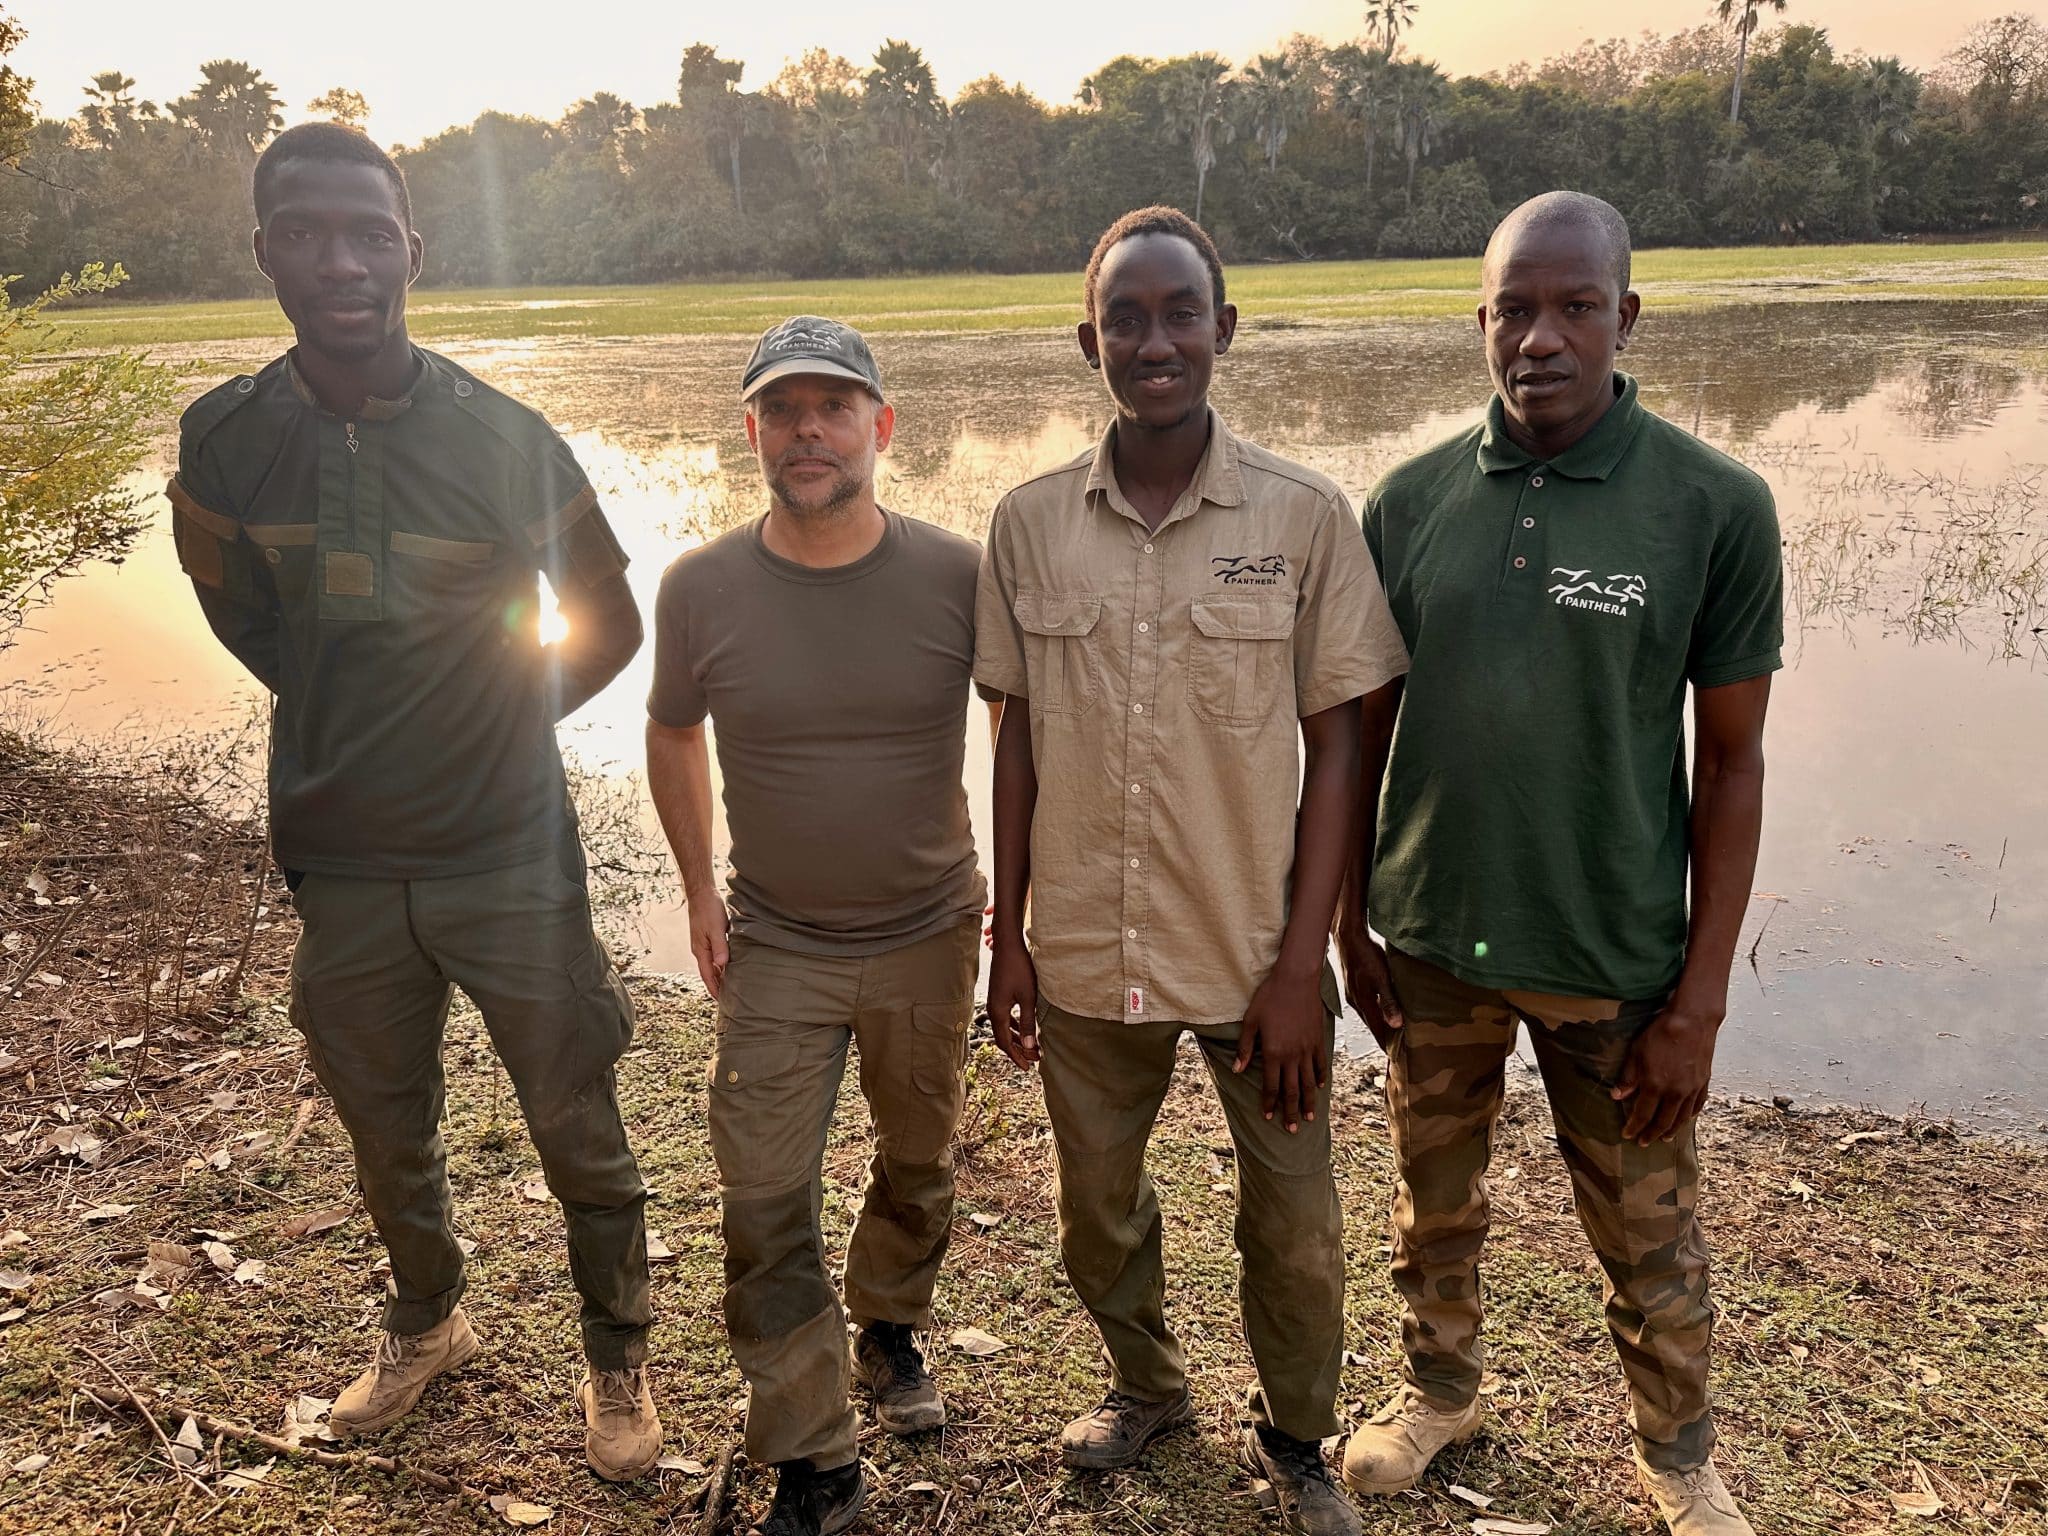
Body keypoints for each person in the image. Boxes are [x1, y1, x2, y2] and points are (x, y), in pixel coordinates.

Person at [169, 123, 659, 1480]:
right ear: (266, 251)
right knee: (386, 1126)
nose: (343, 263)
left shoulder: (505, 438)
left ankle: (616, 1348)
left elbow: (611, 623)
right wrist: (357, 727)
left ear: (411, 253)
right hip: (340, 857)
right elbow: (246, 624)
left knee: (576, 1114)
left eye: (370, 235)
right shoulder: (223, 444)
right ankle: (426, 1319)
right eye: (311, 234)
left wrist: (495, 724)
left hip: (509, 852)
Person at [1336, 191, 1780, 1536]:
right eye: (1512, 309)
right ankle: (1440, 1392)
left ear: (1625, 317)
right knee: (1432, 1205)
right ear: (1481, 321)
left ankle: (1678, 1454)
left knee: (1649, 1237)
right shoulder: (1410, 501)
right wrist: (1355, 928)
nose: (1541, 337)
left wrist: (1698, 1000)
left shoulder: (1713, 505)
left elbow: (1735, 765)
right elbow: (1357, 744)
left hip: (1617, 960)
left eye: (1574, 305)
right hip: (1433, 941)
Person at [976, 207, 1409, 1536]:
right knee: (1096, 1208)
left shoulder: (1303, 518)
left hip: (1248, 959)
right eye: (1127, 319)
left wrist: (1308, 958)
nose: (1153, 342)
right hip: (1090, 950)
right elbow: (1016, 736)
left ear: (1225, 329)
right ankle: (1148, 1386)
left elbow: (1338, 751)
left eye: (1179, 315)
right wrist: (1010, 935)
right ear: (1088, 339)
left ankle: (1296, 1436)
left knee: (1293, 1224)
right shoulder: (1031, 523)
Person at [646, 317, 996, 1536]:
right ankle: (812, 1456)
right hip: (777, 941)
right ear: (751, 433)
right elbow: (672, 730)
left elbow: (1022, 726)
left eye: (833, 407)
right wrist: (696, 887)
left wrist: (1026, 892)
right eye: (782, 409)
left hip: (928, 931)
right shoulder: (698, 586)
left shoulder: (957, 573)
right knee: (760, 1194)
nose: (808, 430)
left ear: (881, 428)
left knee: (919, 1156)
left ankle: (888, 1322)